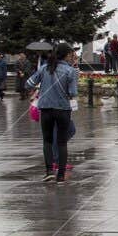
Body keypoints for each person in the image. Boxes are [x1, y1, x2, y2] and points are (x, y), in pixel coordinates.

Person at [27, 42, 78, 181]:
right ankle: (60, 176)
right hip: (62, 109)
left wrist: (40, 88)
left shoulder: (44, 68)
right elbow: (73, 92)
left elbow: (29, 83)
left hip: (45, 109)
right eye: (70, 55)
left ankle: (49, 171)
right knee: (62, 142)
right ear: (67, 55)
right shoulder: (70, 71)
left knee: (47, 141)